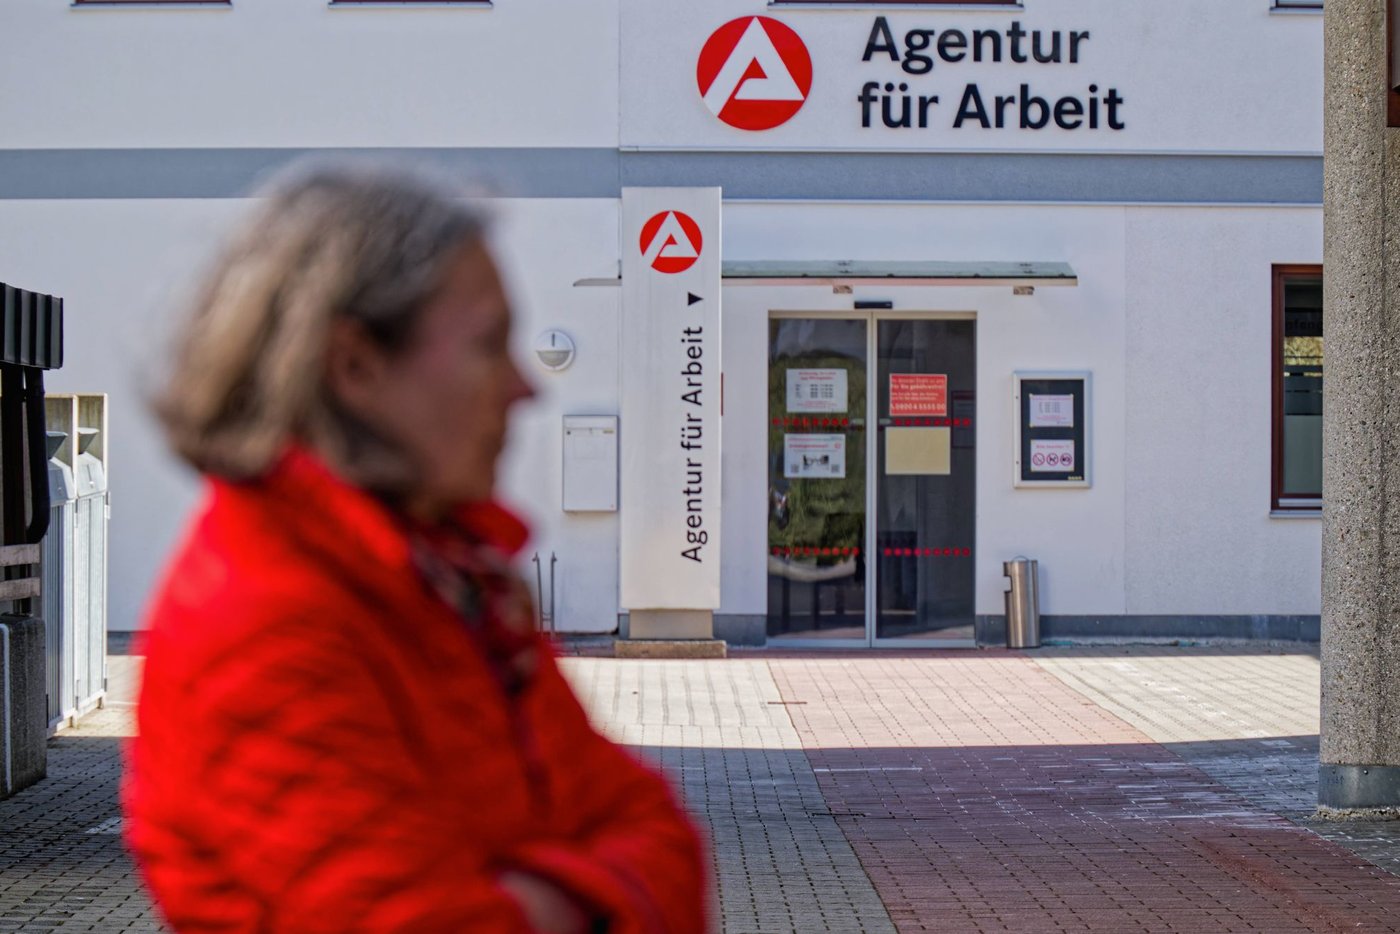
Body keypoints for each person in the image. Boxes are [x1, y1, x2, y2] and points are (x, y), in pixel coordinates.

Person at [122, 162, 709, 933]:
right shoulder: (267, 622)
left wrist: (541, 897)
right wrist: (592, 889)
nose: (525, 388)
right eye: (490, 345)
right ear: (355, 364)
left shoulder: (443, 575)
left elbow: (659, 832)